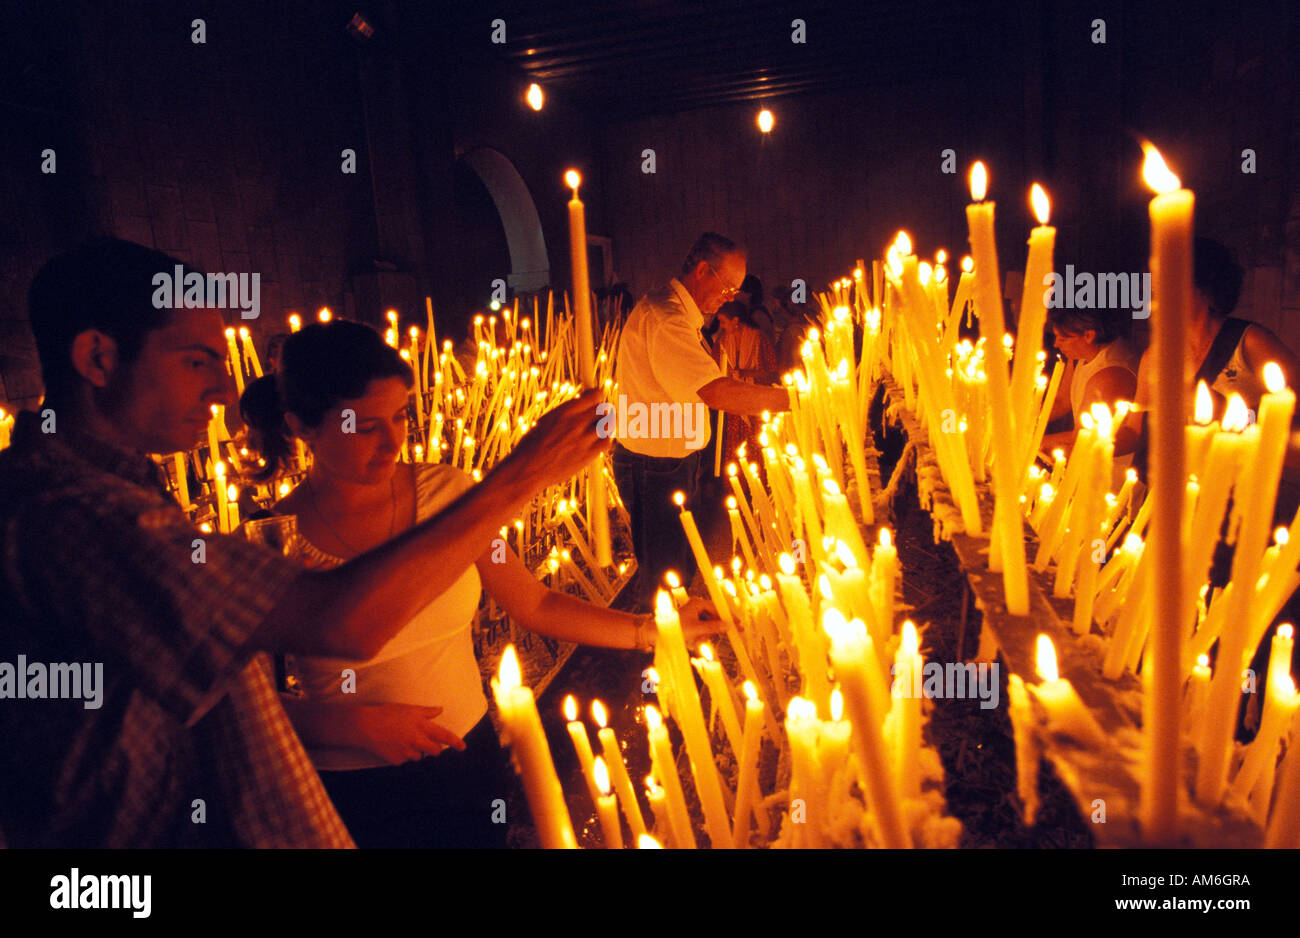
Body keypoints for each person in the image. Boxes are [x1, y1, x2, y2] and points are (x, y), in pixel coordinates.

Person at [0, 238, 607, 848]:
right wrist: (524, 473)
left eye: (400, 418)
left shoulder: (126, 498)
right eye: (196, 361)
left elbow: (213, 694)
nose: (223, 390)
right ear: (98, 359)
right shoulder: (74, 515)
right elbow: (339, 622)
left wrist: (646, 629)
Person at [239, 320, 717, 848]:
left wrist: (653, 630)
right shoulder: (273, 540)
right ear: (301, 426)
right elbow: (249, 698)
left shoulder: (450, 496)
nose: (392, 441)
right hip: (355, 785)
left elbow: (532, 601)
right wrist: (358, 728)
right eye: (363, 426)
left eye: (399, 416)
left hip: (467, 756)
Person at [612, 233, 791, 607]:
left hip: (671, 459)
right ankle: (661, 652)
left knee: (679, 562)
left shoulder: (680, 316)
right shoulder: (667, 319)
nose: (729, 300)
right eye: (728, 288)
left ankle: (675, 640)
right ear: (703, 270)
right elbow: (715, 391)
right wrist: (796, 400)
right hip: (655, 464)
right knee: (665, 571)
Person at [1039, 305, 1140, 484]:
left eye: (1062, 338)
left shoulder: (1109, 374)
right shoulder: (1081, 354)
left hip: (1108, 478)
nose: (1056, 344)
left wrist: (1035, 443)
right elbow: (1061, 401)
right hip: (1083, 456)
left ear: (1088, 335)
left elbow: (1082, 439)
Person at [712, 300, 779, 466]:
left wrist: (745, 374)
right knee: (736, 448)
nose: (721, 326)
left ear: (735, 321)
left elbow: (771, 371)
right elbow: (713, 368)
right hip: (734, 404)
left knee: (757, 443)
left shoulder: (759, 339)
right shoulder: (722, 342)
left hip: (756, 402)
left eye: (723, 322)